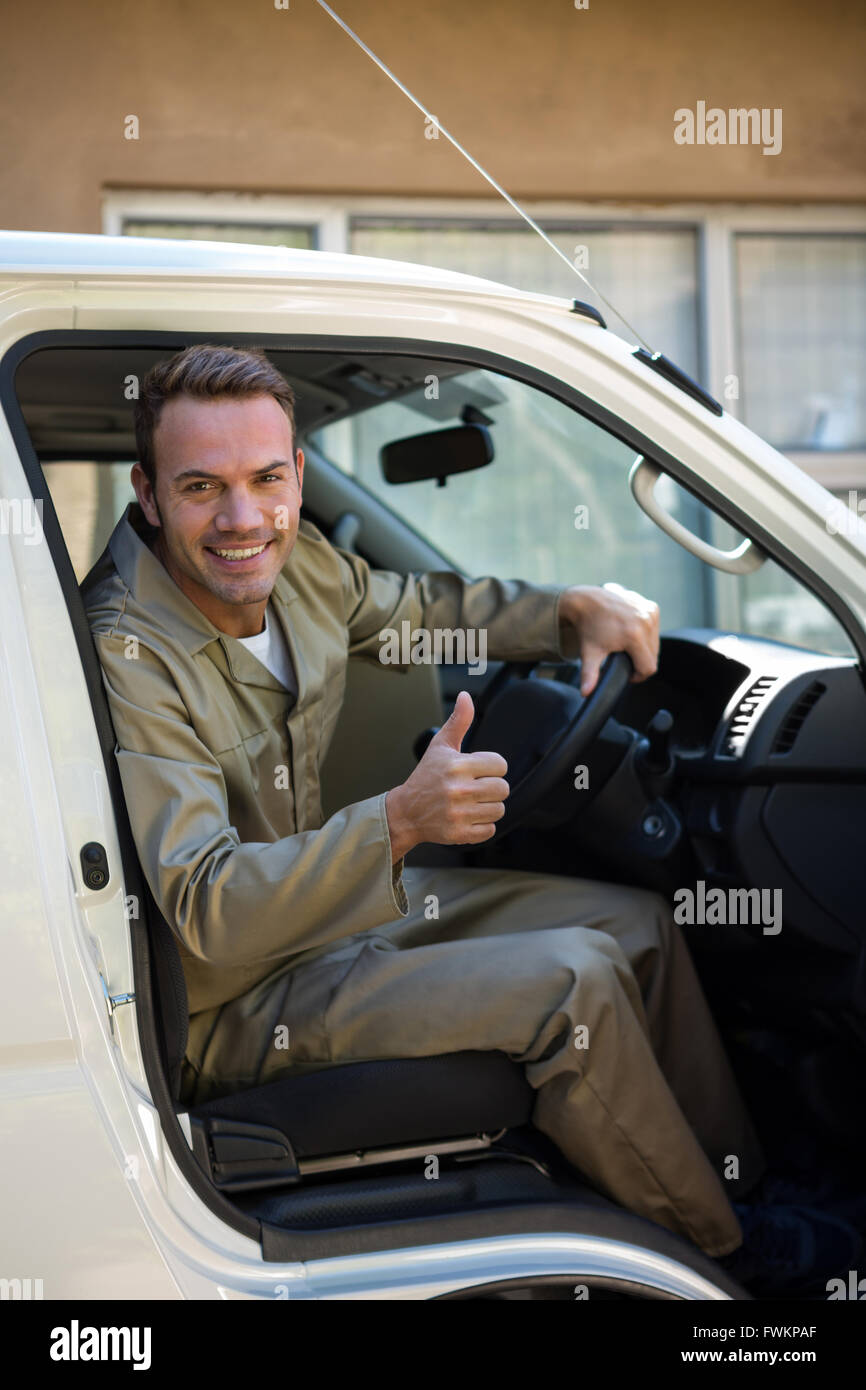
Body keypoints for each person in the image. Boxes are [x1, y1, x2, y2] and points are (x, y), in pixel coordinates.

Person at [81, 344, 861, 1297]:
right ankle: (733, 1255)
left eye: (268, 479)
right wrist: (401, 822)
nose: (244, 518)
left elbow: (416, 607)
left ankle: (749, 1185)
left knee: (642, 928)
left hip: (329, 917)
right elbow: (207, 909)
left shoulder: (299, 569)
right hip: (226, 998)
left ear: (291, 476)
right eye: (202, 486)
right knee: (574, 981)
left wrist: (566, 612)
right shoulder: (126, 650)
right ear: (150, 494)